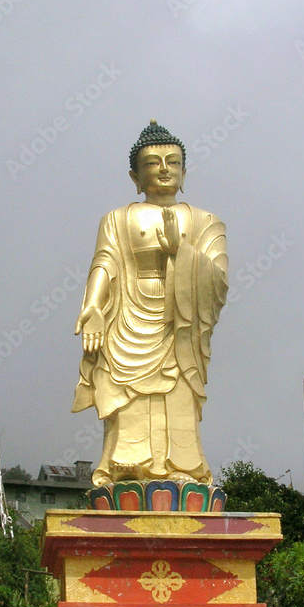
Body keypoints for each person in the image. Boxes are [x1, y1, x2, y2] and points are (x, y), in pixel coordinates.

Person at [72, 120, 228, 487]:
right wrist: (94, 307)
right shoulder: (116, 219)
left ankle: (184, 467)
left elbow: (218, 279)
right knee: (127, 395)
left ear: (184, 172)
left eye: (172, 162)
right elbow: (105, 262)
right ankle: (125, 463)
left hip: (181, 320)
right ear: (134, 176)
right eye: (152, 163)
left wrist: (181, 250)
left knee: (177, 394)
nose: (163, 170)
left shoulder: (206, 221)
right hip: (127, 317)